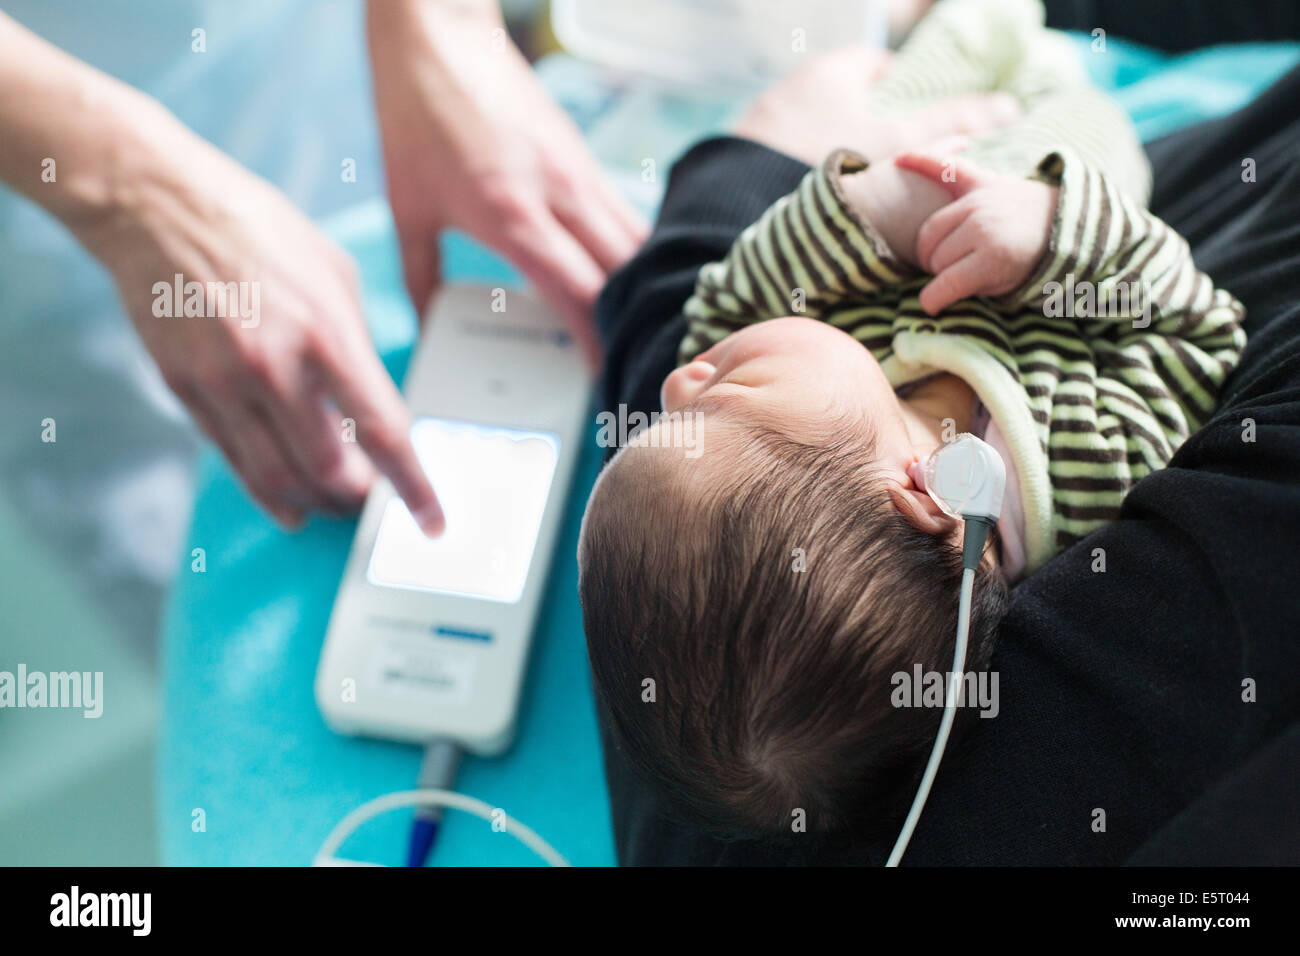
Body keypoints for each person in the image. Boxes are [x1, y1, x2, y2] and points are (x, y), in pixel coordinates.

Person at [590, 7, 1300, 863]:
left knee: (931, 62)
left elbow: (723, 297)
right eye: (720, 398)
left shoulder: (829, 409)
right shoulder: (1082, 462)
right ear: (921, 488)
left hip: (912, 191)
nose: (680, 377)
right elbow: (1190, 330)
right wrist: (1053, 236)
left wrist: (857, 210)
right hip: (1070, 190)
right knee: (1078, 118)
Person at [0, 0, 644, 535]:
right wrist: (125, 191)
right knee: (276, 493)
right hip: (47, 226)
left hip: (327, 61)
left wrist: (439, 22)